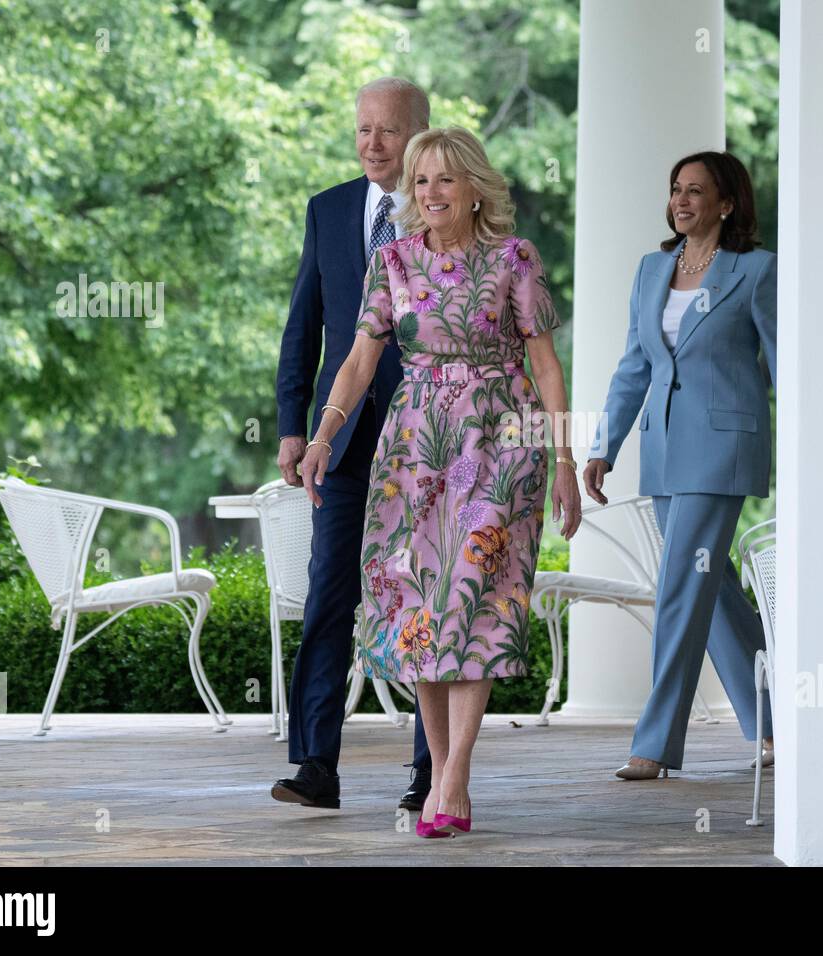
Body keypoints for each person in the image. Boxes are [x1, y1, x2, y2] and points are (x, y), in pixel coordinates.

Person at [299, 126, 581, 837]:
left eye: (444, 181)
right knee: (420, 603)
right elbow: (360, 363)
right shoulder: (391, 261)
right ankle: (447, 781)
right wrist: (322, 436)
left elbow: (546, 366)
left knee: (478, 596)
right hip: (414, 450)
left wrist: (566, 462)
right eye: (420, 181)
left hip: (503, 438)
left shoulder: (514, 260)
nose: (429, 194)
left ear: (475, 188)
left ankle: (451, 778)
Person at [584, 150, 776, 780]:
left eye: (696, 191)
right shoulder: (651, 269)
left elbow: (784, 368)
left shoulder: (756, 271)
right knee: (711, 591)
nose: (682, 200)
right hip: (663, 453)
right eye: (676, 190)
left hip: (722, 452)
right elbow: (634, 365)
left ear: (727, 203)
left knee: (678, 590)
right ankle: (777, 723)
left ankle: (656, 742)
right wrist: (602, 447)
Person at [272, 77, 435, 812]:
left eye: (389, 131)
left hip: (428, 438)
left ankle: (432, 773)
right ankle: (315, 767)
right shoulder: (329, 209)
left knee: (426, 598)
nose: (373, 144)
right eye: (364, 129)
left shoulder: (444, 209)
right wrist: (291, 423)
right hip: (340, 441)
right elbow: (305, 321)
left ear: (420, 134)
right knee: (328, 595)